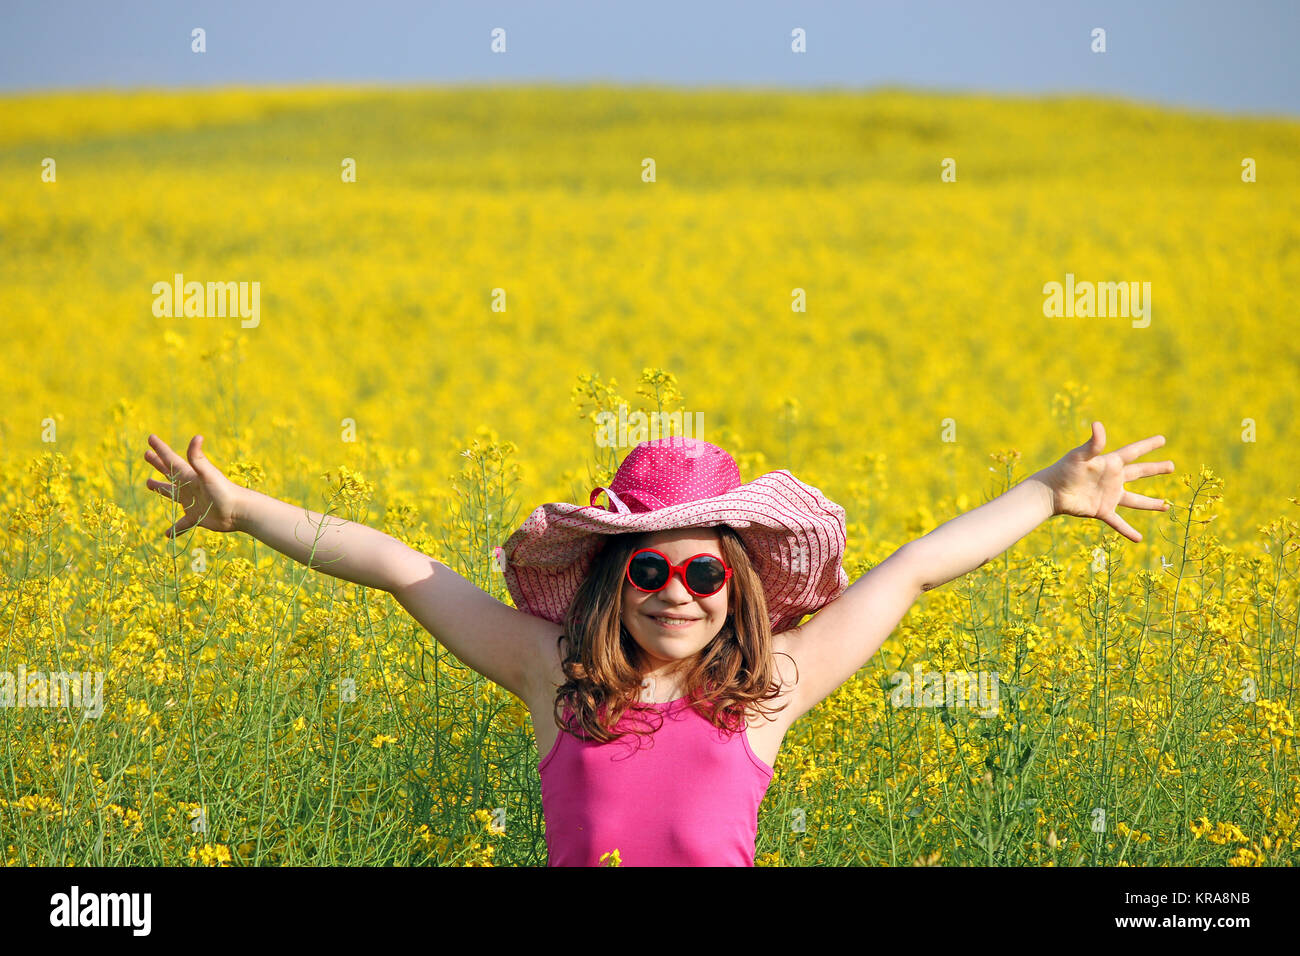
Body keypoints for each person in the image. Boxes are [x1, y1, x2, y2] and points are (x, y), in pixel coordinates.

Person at [143, 425, 1173, 866]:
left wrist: (1048, 493)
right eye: (647, 568)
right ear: (609, 579)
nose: (674, 591)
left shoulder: (769, 690)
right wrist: (243, 509)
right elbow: (397, 564)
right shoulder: (554, 678)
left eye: (702, 572)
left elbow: (911, 568)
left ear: (738, 590)